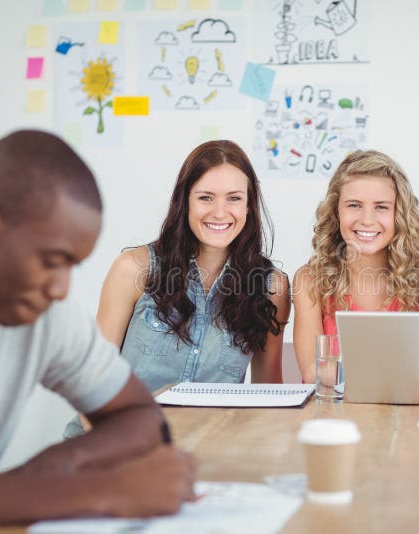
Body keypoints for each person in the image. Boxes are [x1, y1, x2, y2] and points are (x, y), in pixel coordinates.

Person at [0, 130, 196, 532]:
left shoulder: (44, 314)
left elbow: (141, 418)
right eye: (52, 260)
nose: (61, 288)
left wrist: (55, 467)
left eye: (72, 267)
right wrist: (106, 491)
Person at [74, 140, 288, 421]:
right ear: (184, 201)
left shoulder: (272, 287)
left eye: (234, 198)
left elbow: (267, 394)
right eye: (206, 197)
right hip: (121, 442)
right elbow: (94, 383)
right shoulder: (134, 269)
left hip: (207, 449)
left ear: (249, 206)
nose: (220, 212)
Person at [293, 150, 419, 383]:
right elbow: (312, 372)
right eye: (354, 205)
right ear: (336, 211)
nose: (367, 219)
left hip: (406, 417)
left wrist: (348, 371)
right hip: (337, 416)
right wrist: (403, 370)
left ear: (399, 214)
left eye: (381, 207)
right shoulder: (310, 281)